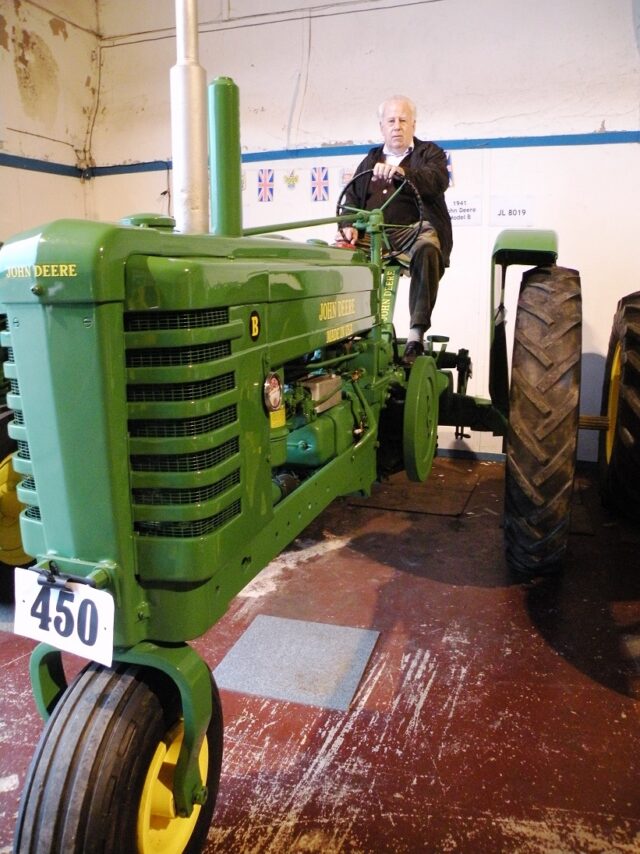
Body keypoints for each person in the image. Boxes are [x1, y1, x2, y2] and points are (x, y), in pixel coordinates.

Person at [338, 95, 452, 364]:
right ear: (381, 126)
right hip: (373, 236)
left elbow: (436, 181)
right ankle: (344, 335)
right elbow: (352, 199)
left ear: (413, 124)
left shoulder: (429, 154)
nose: (397, 126)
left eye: (403, 120)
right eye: (391, 120)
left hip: (413, 231)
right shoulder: (370, 160)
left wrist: (400, 172)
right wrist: (346, 225)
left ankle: (416, 336)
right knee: (336, 257)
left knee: (427, 248)